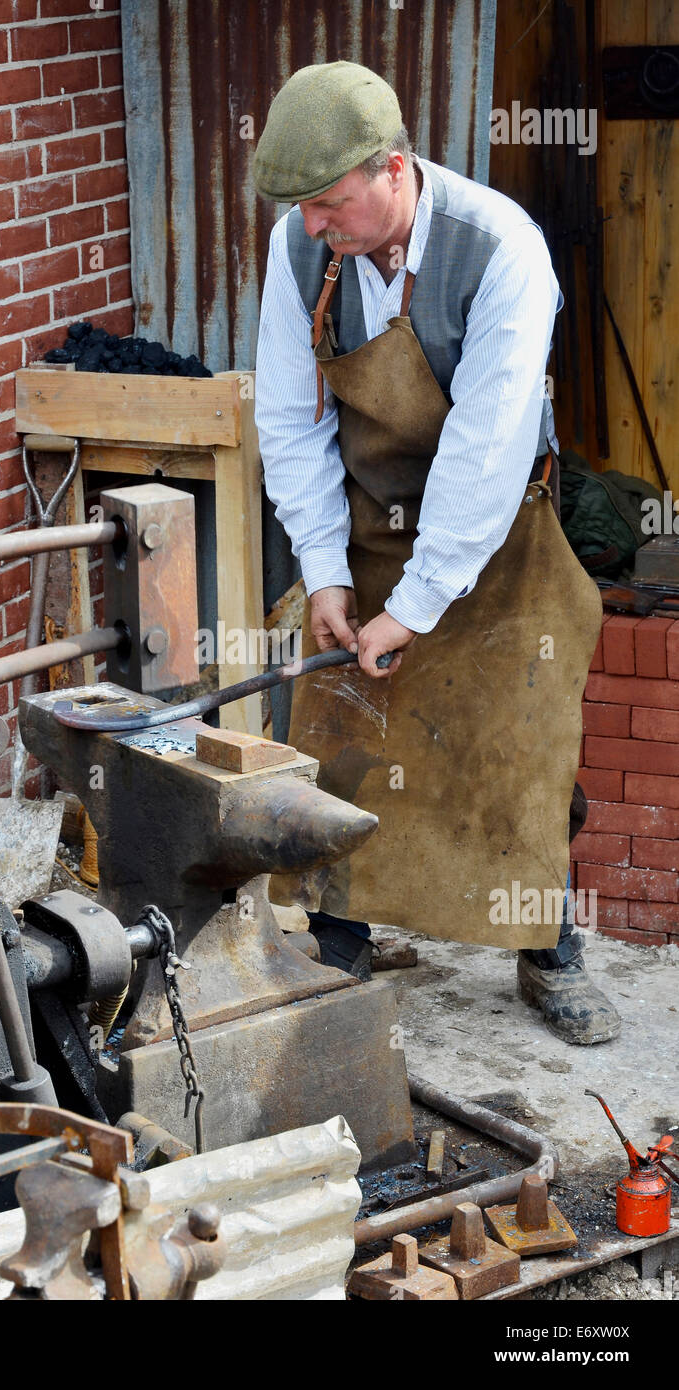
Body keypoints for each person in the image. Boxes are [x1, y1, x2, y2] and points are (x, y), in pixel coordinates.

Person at [253, 61, 620, 1045]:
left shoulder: (502, 248)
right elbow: (289, 422)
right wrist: (326, 570)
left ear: (394, 168)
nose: (314, 226)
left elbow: (485, 454)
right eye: (305, 209)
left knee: (523, 747)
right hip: (371, 529)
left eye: (331, 204)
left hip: (498, 541)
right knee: (342, 737)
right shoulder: (302, 250)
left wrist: (416, 606)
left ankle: (546, 945)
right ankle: (339, 945)